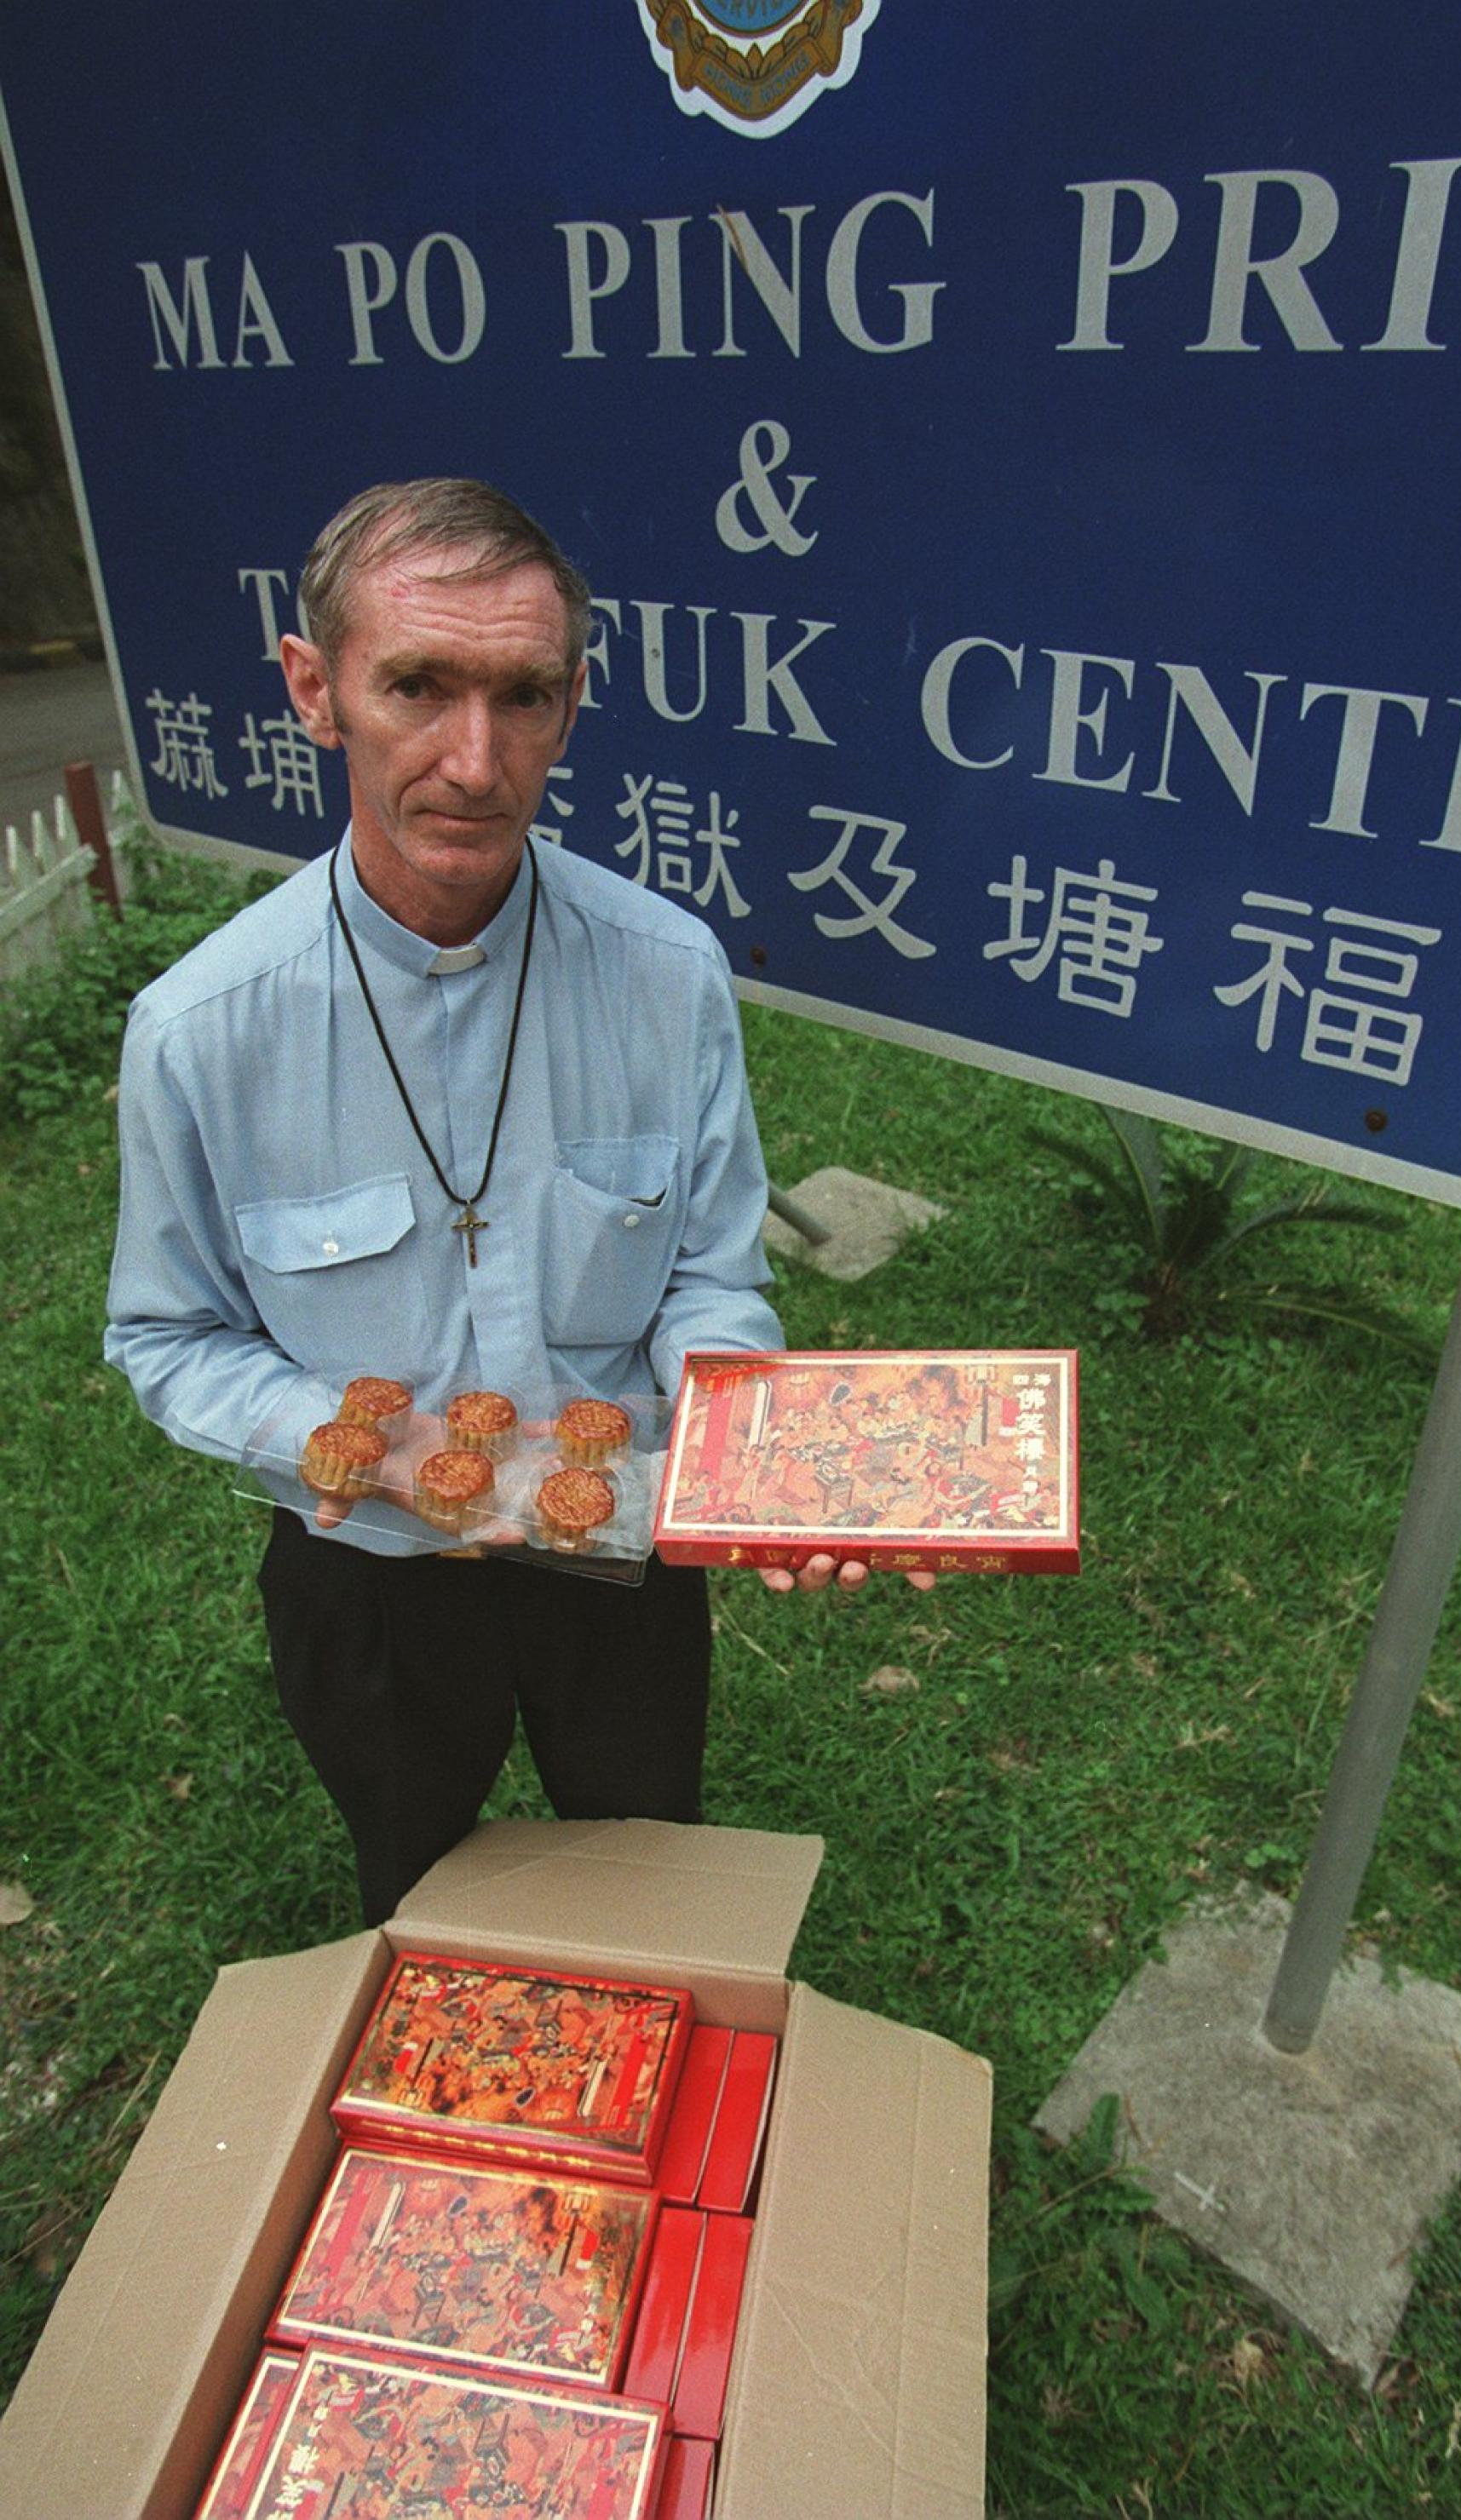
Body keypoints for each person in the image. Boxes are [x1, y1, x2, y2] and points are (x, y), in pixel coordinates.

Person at [106, 476, 924, 1927]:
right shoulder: (205, 1030)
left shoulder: (666, 974)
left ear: (571, 701)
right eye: (416, 686)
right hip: (365, 1565)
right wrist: (357, 1443)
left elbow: (709, 1277)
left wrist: (755, 1449)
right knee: (414, 1879)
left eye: (524, 697)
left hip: (623, 1558)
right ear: (316, 690)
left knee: (645, 1853)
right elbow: (168, 1335)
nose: (474, 761)